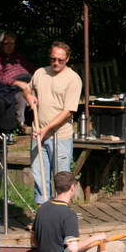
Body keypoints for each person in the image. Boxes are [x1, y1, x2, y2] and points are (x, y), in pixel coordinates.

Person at [24, 41, 82, 205]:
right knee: (39, 176)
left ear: (67, 59)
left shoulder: (73, 79)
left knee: (61, 179)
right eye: (52, 59)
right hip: (38, 134)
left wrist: (47, 128)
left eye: (60, 60)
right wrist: (28, 95)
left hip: (60, 136)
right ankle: (41, 216)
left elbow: (68, 111)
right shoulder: (40, 73)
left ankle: (60, 215)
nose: (55, 63)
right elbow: (28, 88)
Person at [31, 171, 124, 252]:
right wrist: (95, 238)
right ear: (72, 188)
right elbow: (72, 248)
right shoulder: (68, 214)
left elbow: (34, 241)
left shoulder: (42, 208)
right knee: (118, 246)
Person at [0, 32, 34, 132]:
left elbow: (31, 69)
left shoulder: (18, 57)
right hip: (11, 86)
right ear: (1, 44)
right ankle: (21, 125)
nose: (10, 46)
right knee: (20, 96)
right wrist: (17, 83)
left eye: (12, 43)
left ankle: (45, 122)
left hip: (28, 81)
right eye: (7, 43)